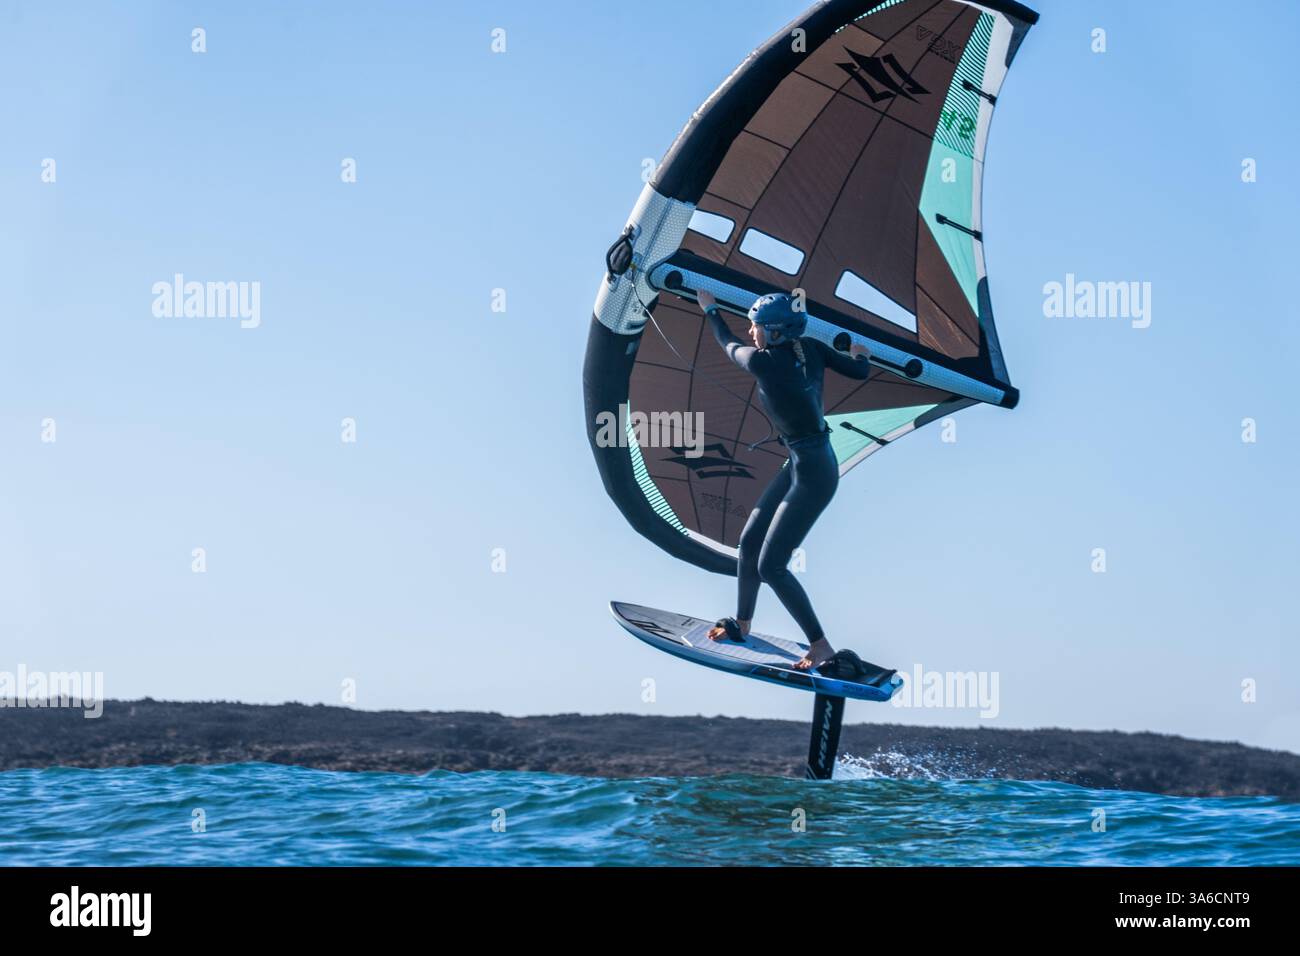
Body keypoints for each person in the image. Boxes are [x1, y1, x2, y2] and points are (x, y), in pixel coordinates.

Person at [696, 290, 872, 671]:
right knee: (748, 544)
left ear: (774, 333)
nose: (750, 331)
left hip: (815, 474)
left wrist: (710, 309)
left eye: (756, 326)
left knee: (771, 566)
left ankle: (821, 646)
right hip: (802, 460)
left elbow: (728, 345)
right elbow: (859, 370)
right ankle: (742, 622)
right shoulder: (810, 347)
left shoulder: (765, 363)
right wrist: (861, 353)